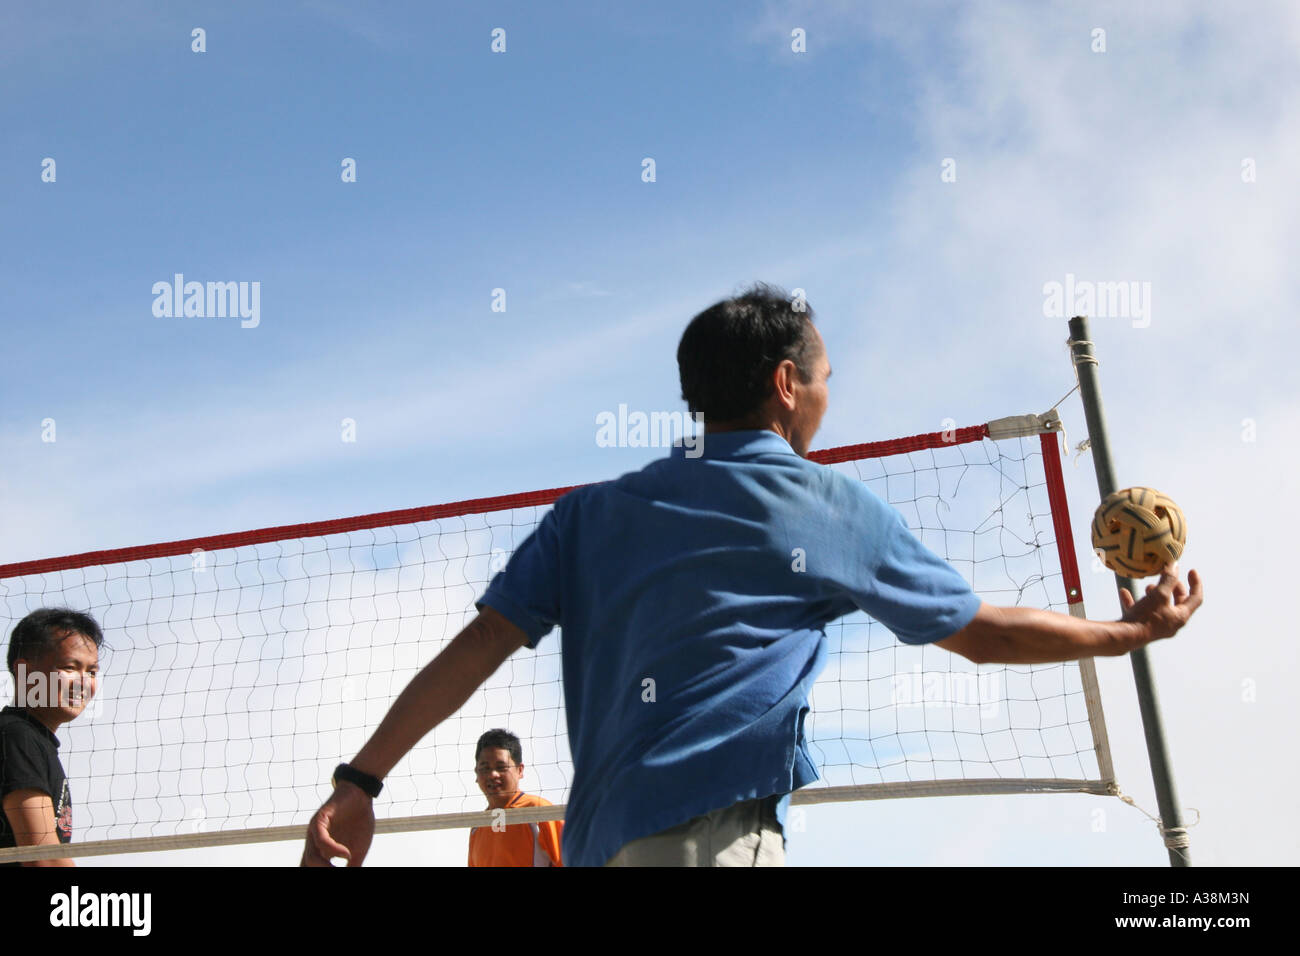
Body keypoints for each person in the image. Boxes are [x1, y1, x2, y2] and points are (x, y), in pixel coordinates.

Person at [301, 282, 1203, 867]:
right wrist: (1135, 631)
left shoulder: (590, 512)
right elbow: (987, 634)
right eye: (823, 378)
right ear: (784, 383)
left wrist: (362, 781)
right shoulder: (821, 505)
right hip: (712, 843)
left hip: (599, 845)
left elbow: (480, 645)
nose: (826, 394)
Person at [1, 608, 103, 866]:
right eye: (69, 667)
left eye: (91, 672)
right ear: (25, 672)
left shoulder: (32, 739)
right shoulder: (17, 736)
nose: (83, 682)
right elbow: (42, 859)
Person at [467, 728, 562, 867]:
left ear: (520, 770)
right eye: (485, 768)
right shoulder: (477, 826)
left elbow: (573, 859)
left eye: (501, 767)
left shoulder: (538, 811)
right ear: (476, 773)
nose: (493, 774)